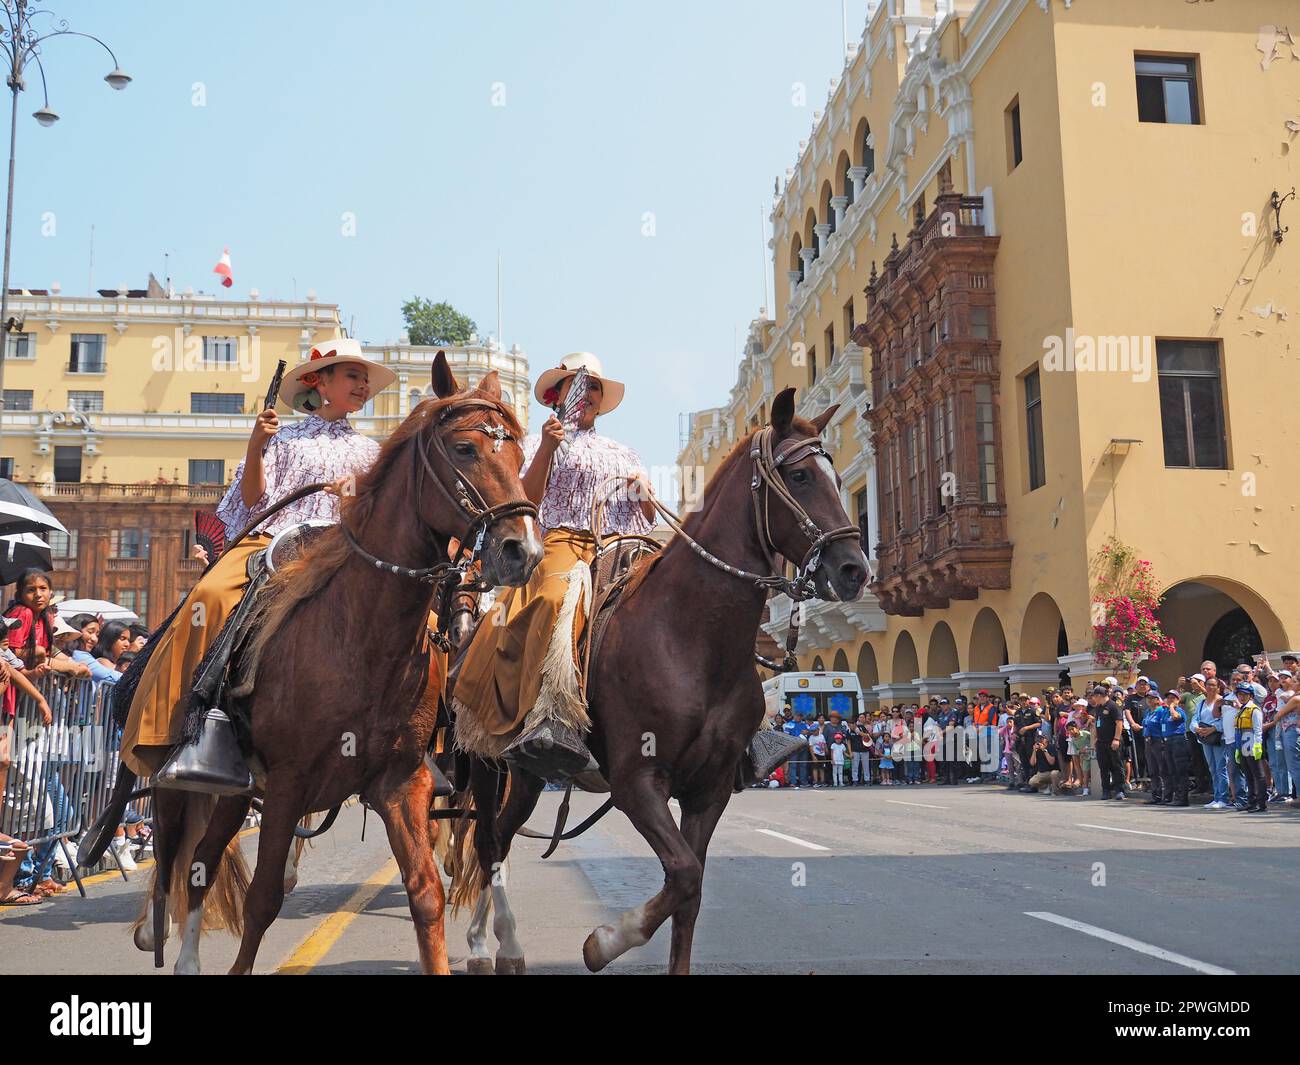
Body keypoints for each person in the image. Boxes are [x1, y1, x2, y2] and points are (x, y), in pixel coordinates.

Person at [120, 339, 390, 784]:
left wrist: (355, 497)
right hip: (274, 539)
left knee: (423, 612)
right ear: (319, 381)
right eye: (352, 375)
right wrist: (254, 445)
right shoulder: (281, 436)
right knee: (208, 595)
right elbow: (250, 500)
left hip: (343, 548)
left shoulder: (372, 452)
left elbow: (379, 517)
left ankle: (415, 740)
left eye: (365, 379)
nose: (362, 385)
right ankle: (180, 729)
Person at [452, 353, 657, 780]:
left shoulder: (625, 452)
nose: (587, 395)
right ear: (555, 396)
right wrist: (546, 445)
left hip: (622, 544)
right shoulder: (531, 444)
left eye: (594, 387)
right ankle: (550, 713)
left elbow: (648, 518)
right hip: (564, 539)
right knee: (551, 598)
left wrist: (645, 494)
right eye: (575, 386)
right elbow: (525, 499)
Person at [1224, 682, 1266, 813]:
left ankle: (1261, 803)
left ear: (1251, 696)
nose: (1242, 697)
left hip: (1252, 746)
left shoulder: (1254, 710)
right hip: (1242, 746)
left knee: (1258, 775)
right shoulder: (1241, 710)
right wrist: (1237, 748)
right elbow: (1238, 731)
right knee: (1248, 775)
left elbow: (1258, 730)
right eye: (1240, 694)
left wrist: (1258, 746)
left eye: (1245, 694)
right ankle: (1251, 801)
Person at [1091, 685, 1126, 800]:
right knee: (1104, 767)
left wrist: (1116, 739)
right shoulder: (1099, 707)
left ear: (1099, 696)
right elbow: (1097, 723)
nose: (1093, 699)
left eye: (1094, 696)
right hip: (1101, 742)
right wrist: (1095, 739)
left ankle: (1120, 790)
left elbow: (1119, 723)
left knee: (1116, 765)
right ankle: (1106, 790)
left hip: (1112, 741)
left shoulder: (1113, 706)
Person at [1161, 687, 1190, 806]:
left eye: (1173, 698)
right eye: (1168, 698)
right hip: (1168, 741)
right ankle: (1176, 796)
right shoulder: (1165, 712)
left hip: (1178, 740)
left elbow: (1176, 717)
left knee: (1180, 770)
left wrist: (1172, 706)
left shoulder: (1178, 710)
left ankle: (1183, 798)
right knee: (1172, 770)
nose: (1170, 700)